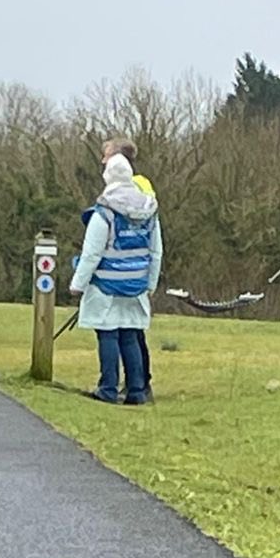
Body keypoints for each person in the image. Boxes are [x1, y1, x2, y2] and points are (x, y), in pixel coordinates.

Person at [69, 153, 162, 405]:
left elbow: (92, 253)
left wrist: (77, 285)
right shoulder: (149, 210)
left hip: (106, 284)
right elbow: (156, 251)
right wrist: (150, 283)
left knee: (108, 335)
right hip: (135, 285)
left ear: (107, 178)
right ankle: (136, 391)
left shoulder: (104, 212)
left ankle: (107, 388)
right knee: (130, 335)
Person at [104, 138, 156, 397]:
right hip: (136, 269)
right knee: (133, 331)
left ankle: (139, 382)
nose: (103, 161)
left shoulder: (132, 188)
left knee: (131, 332)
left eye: (107, 155)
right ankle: (138, 383)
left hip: (125, 271)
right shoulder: (140, 185)